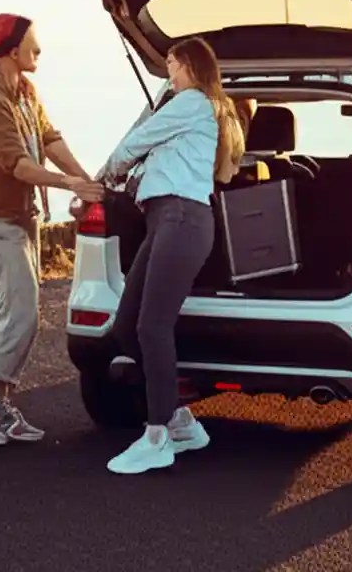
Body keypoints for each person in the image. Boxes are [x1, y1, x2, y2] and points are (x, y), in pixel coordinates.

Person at [98, 36, 252, 475]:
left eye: (169, 60)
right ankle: (182, 421)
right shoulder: (193, 109)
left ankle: (157, 436)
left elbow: (135, 143)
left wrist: (105, 173)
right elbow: (149, 157)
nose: (165, 67)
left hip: (182, 219)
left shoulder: (191, 103)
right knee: (128, 325)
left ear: (185, 63)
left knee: (152, 325)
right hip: (166, 219)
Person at [0, 13, 104, 445]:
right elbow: (19, 165)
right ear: (11, 50)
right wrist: (68, 184)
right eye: (32, 45)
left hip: (25, 220)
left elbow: (49, 138)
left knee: (21, 309)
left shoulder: (25, 90)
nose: (38, 51)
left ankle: (0, 403)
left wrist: (88, 181)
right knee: (19, 309)